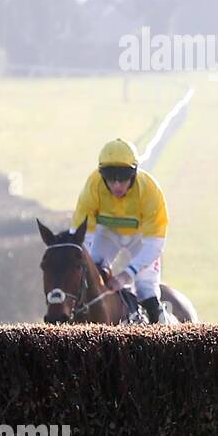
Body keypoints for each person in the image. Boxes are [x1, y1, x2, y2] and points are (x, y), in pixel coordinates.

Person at [71, 138, 171, 323]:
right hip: (107, 235)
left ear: (134, 174)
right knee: (88, 274)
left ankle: (161, 328)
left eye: (123, 177)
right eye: (110, 177)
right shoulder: (93, 185)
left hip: (141, 240)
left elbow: (155, 244)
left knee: (145, 288)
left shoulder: (149, 190)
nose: (116, 185)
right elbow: (81, 236)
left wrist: (126, 274)